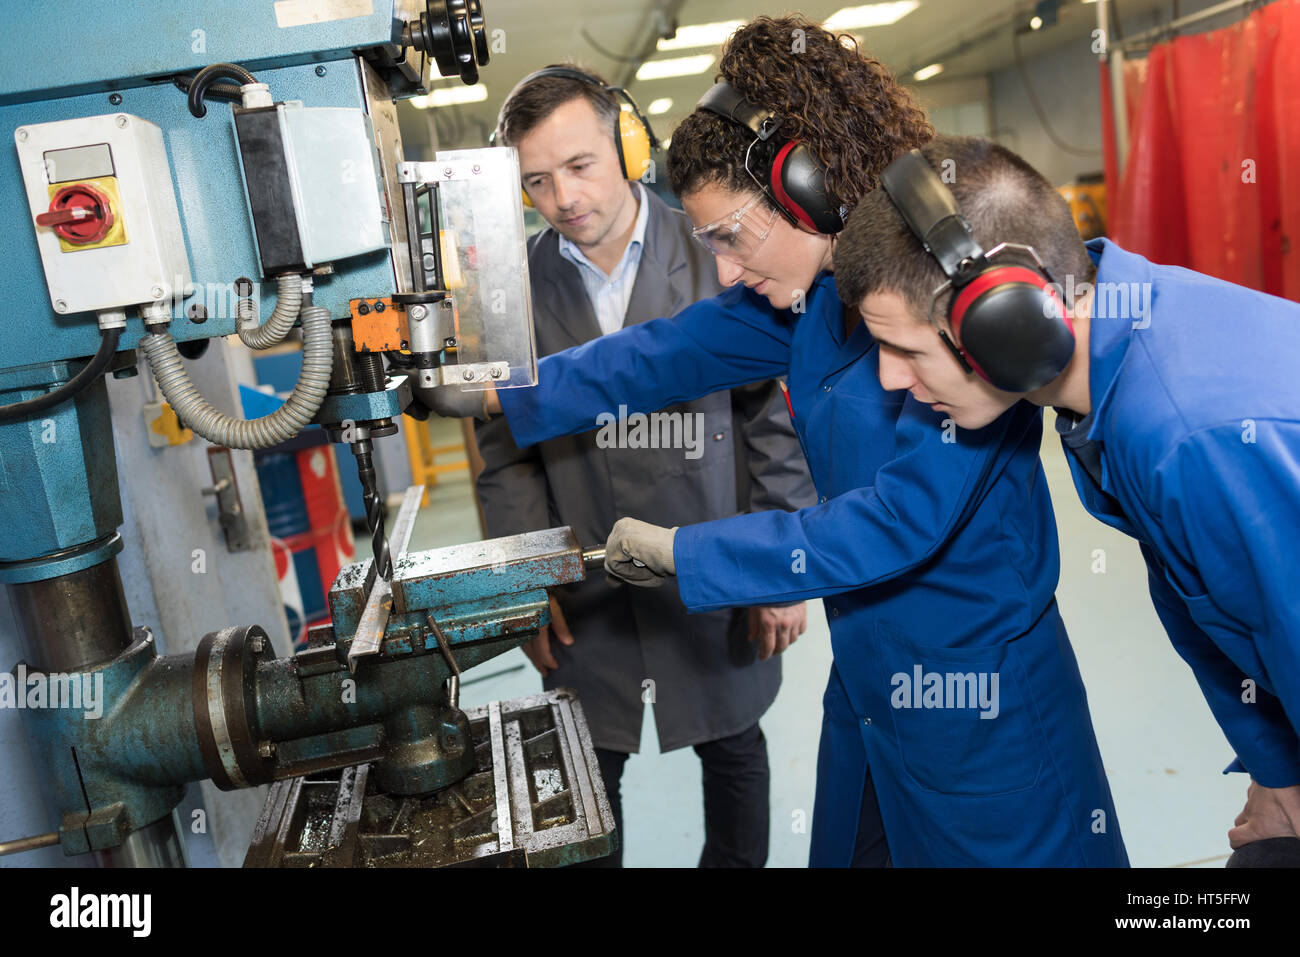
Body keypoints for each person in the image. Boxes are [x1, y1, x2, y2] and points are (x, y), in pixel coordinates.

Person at [421, 16, 1127, 867]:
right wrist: (504, 390)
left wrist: (692, 554)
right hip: (866, 682)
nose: (721, 268)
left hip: (982, 702)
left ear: (811, 188)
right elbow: (661, 353)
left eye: (730, 237)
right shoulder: (807, 301)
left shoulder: (945, 321)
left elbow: (890, 523)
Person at [834, 134, 1300, 865]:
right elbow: (1211, 608)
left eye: (909, 350)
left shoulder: (1189, 437)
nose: (891, 380)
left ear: (1007, 323)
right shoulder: (1123, 352)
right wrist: (1278, 772)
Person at [463, 65, 816, 868]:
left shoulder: (714, 253)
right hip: (587, 575)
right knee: (586, 773)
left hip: (715, 550)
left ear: (625, 144)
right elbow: (501, 450)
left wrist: (782, 566)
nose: (565, 197)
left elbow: (769, 419)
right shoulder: (511, 292)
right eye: (539, 182)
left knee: (733, 747)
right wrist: (528, 578)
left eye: (581, 165)